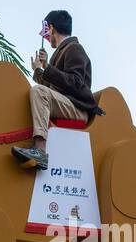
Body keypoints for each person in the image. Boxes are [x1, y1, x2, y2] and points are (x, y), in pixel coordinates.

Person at [11, 10, 102, 172]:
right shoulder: (61, 52)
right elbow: (53, 87)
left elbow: (76, 83)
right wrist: (41, 69)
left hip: (77, 108)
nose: (46, 36)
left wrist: (48, 69)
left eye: (47, 31)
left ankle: (39, 150)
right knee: (39, 91)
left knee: (38, 92)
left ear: (51, 28)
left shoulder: (74, 48)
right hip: (67, 104)